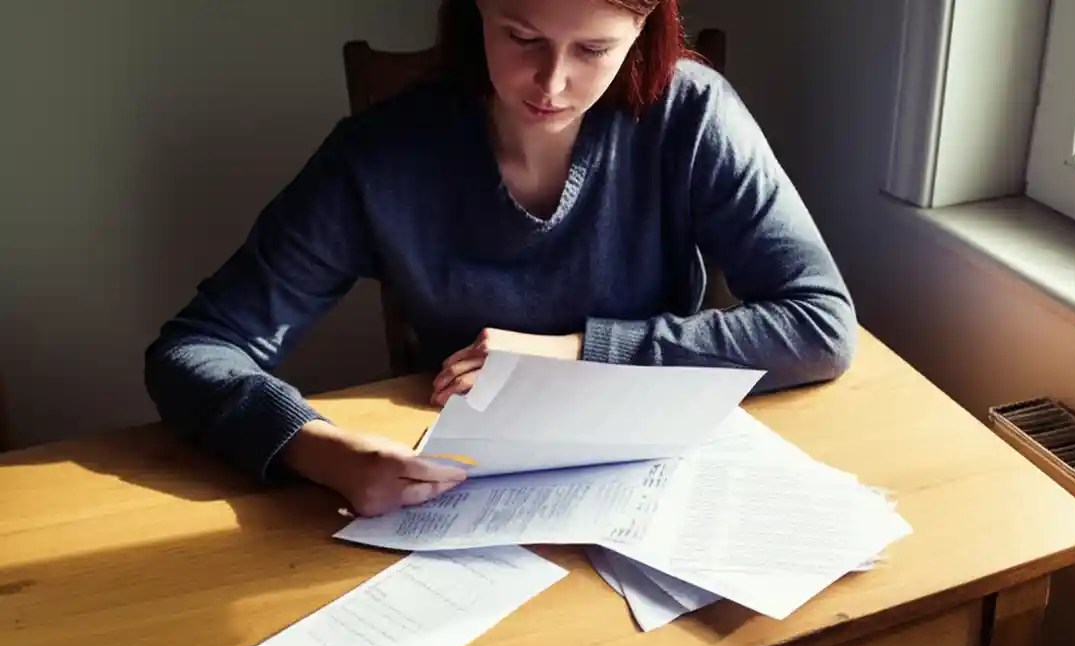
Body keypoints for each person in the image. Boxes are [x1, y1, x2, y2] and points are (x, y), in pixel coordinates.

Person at [144, 0, 856, 518]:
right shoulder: (381, 156)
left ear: (644, 30)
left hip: (649, 488)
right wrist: (316, 448)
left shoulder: (690, 115)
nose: (550, 85)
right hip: (461, 495)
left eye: (593, 51)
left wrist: (580, 353)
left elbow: (819, 325)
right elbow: (196, 349)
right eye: (522, 37)